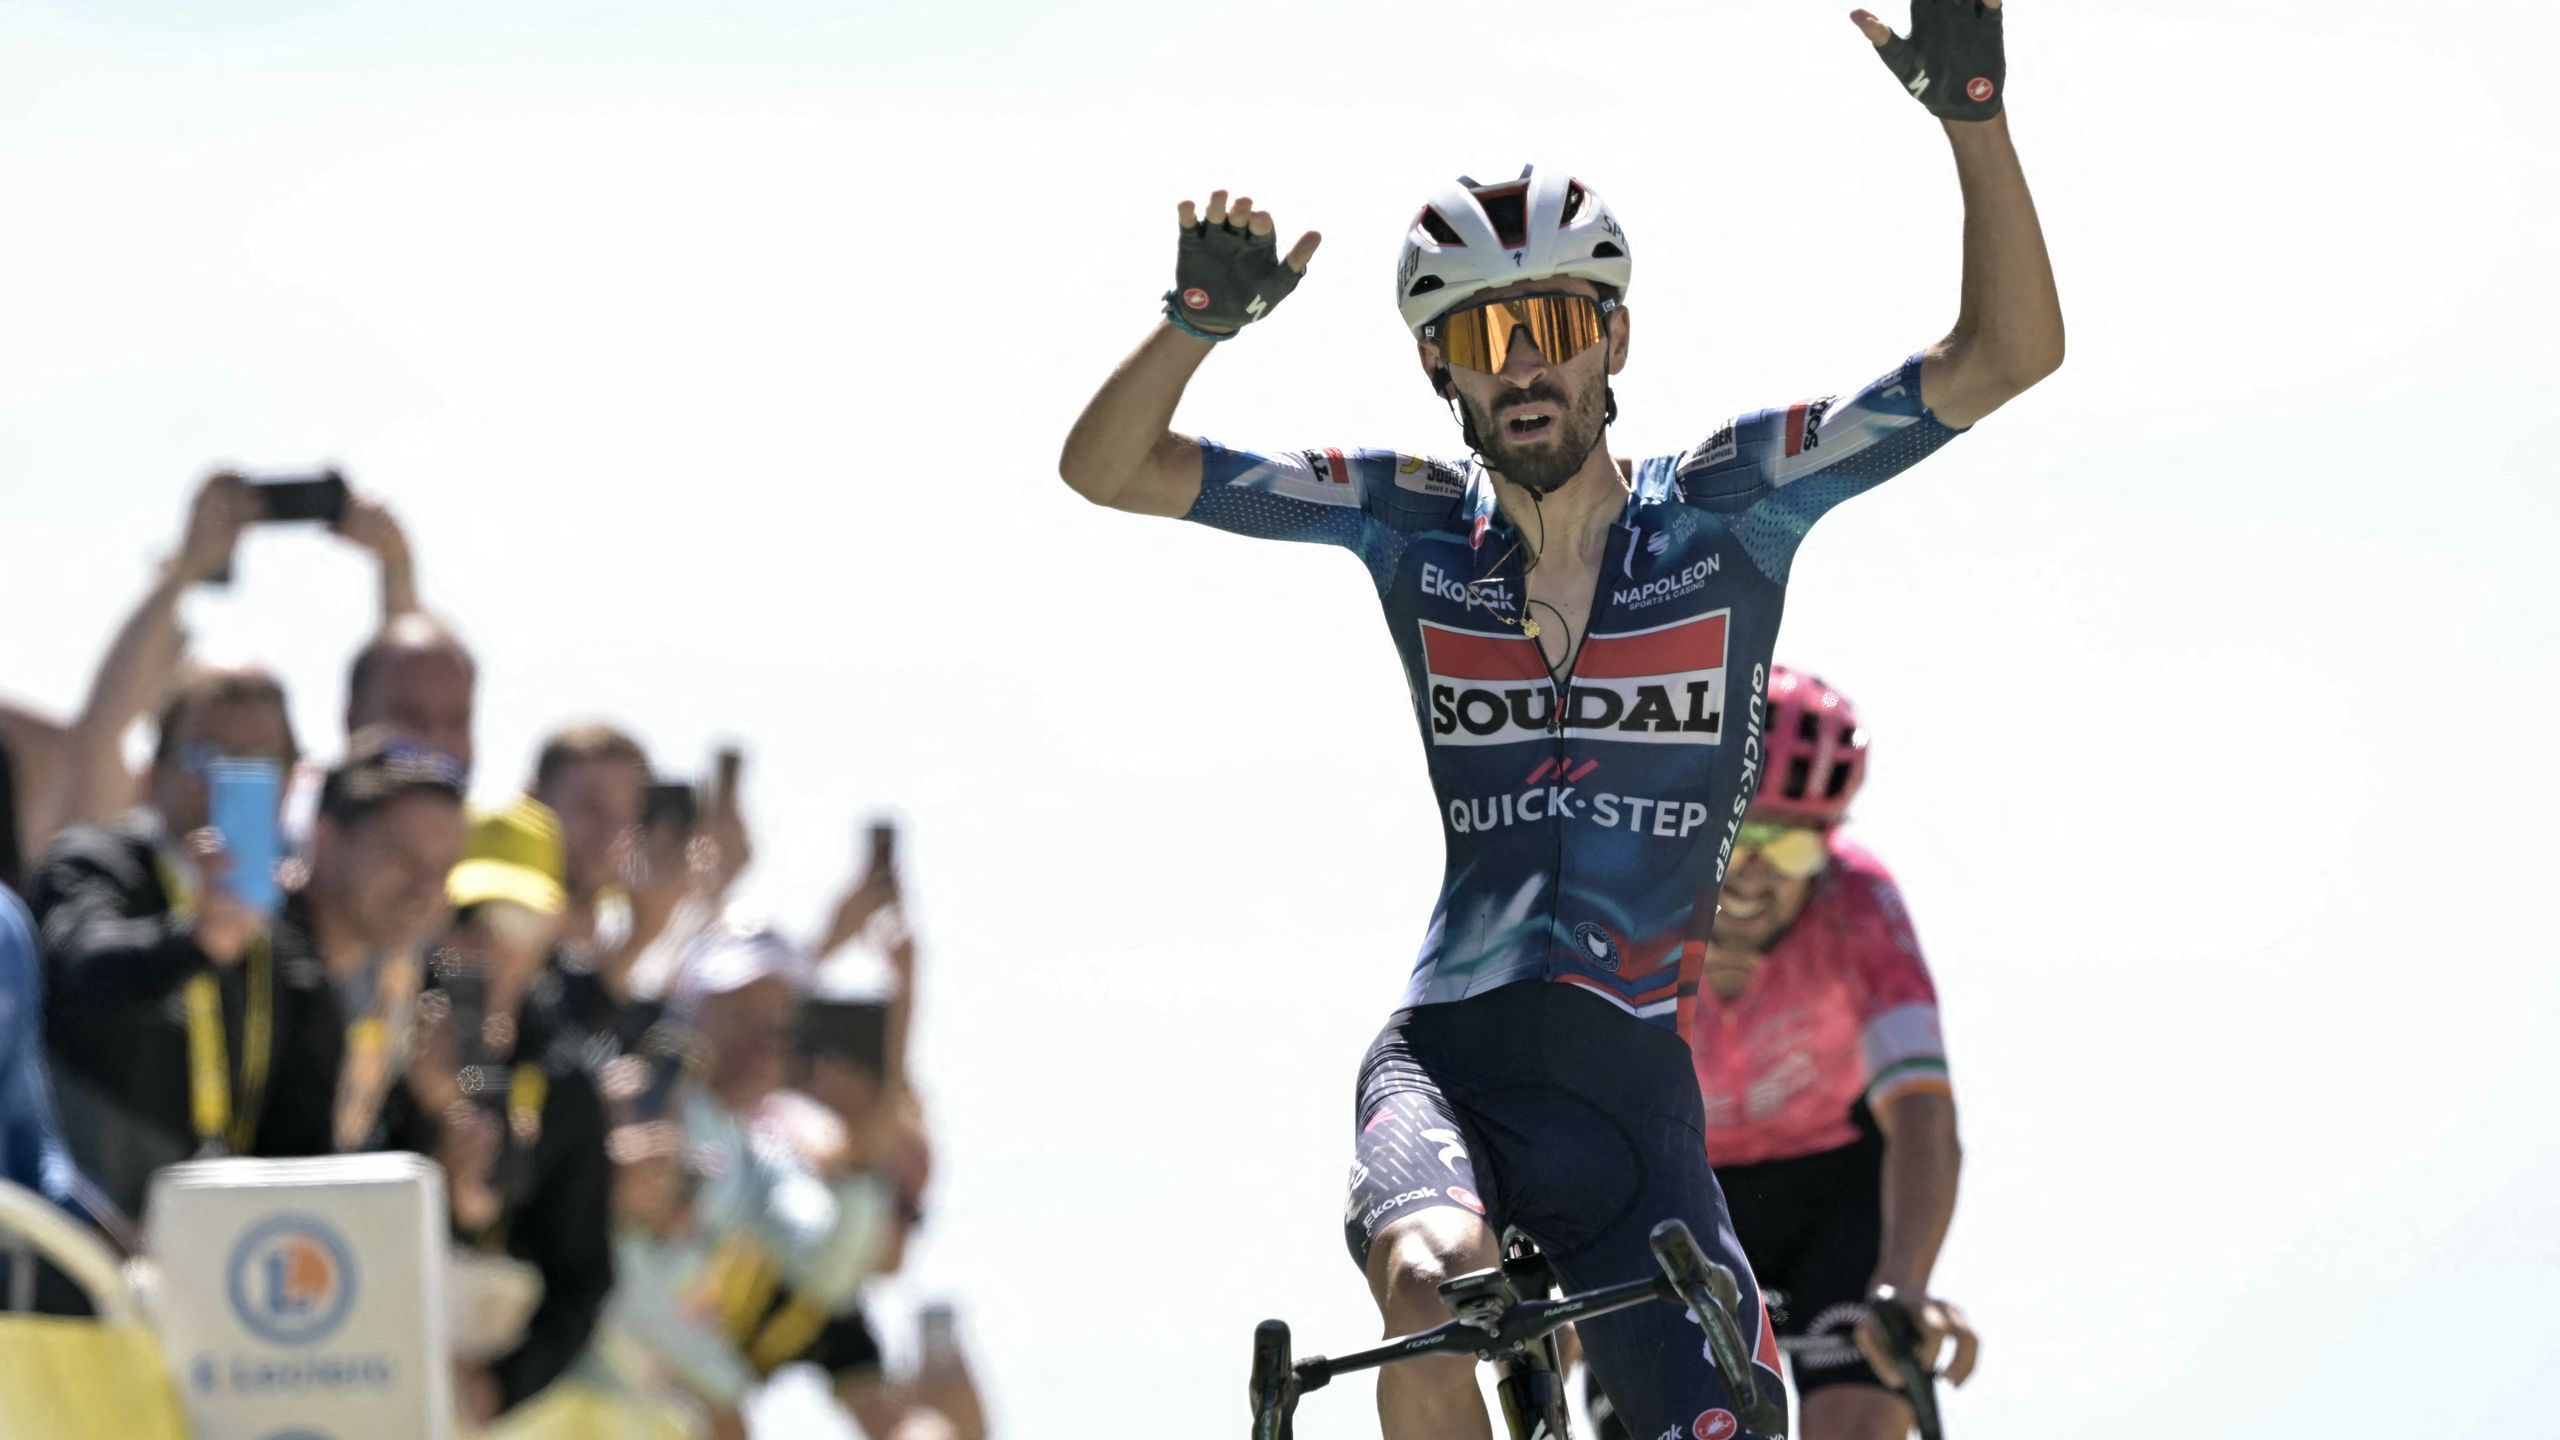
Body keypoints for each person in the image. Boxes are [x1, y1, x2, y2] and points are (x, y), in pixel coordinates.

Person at [1054, 5, 2059, 1434]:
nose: (1522, 363)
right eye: (1479, 336)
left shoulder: (1734, 507)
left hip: (1632, 1105)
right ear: (1438, 369)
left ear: (1614, 340)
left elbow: (2004, 356)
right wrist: (1191, 328)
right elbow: (1108, 468)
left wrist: (1975, 122)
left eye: (1554, 326)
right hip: (1446, 1064)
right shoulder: (1403, 523)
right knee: (1433, 1282)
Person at [1586, 668, 1974, 1440]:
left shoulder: (1859, 903)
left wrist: (1905, 1280)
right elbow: (1571, 1114)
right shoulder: (1619, 912)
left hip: (1833, 1192)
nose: (1758, 871)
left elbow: (1924, 1117)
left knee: (1859, 1422)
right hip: (1675, 1200)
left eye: (1794, 844)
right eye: (1738, 837)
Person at [26, 667, 340, 1217]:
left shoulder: (286, 931)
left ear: (293, 781)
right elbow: (79, 976)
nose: (226, 781)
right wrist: (192, 944)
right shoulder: (94, 864)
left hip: (223, 1251)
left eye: (259, 764)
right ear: (152, 774)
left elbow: (302, 1134)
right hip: (79, 1239)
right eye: (206, 758)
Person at [382, 796, 612, 1425]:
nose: (486, 943)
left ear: (555, 930)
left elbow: (580, 1278)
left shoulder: (564, 1087)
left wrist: (501, 1388)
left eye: (515, 920)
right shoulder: (372, 1031)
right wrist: (426, 1122)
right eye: (465, 914)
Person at [344, 612, 477, 779]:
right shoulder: (304, 802)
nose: (439, 743)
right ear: (354, 723)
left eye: (456, 720)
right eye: (412, 719)